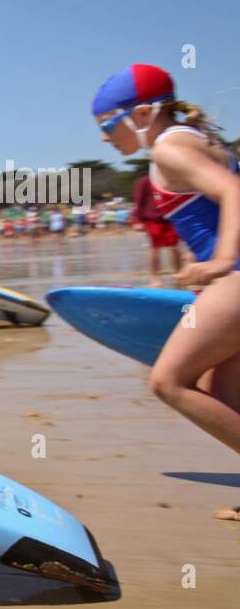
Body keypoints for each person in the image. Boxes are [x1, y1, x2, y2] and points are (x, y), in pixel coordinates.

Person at [92, 63, 240, 453]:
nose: (104, 138)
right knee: (219, 396)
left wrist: (222, 259)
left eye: (108, 125)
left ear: (142, 113)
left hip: (236, 280)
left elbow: (233, 192)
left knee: (168, 381)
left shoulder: (169, 148)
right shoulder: (193, 139)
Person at [133, 173, 182, 286]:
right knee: (154, 248)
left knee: (174, 247)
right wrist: (137, 220)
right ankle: (155, 277)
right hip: (152, 219)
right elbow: (138, 201)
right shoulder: (144, 181)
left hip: (170, 217)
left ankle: (178, 274)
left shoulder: (171, 178)